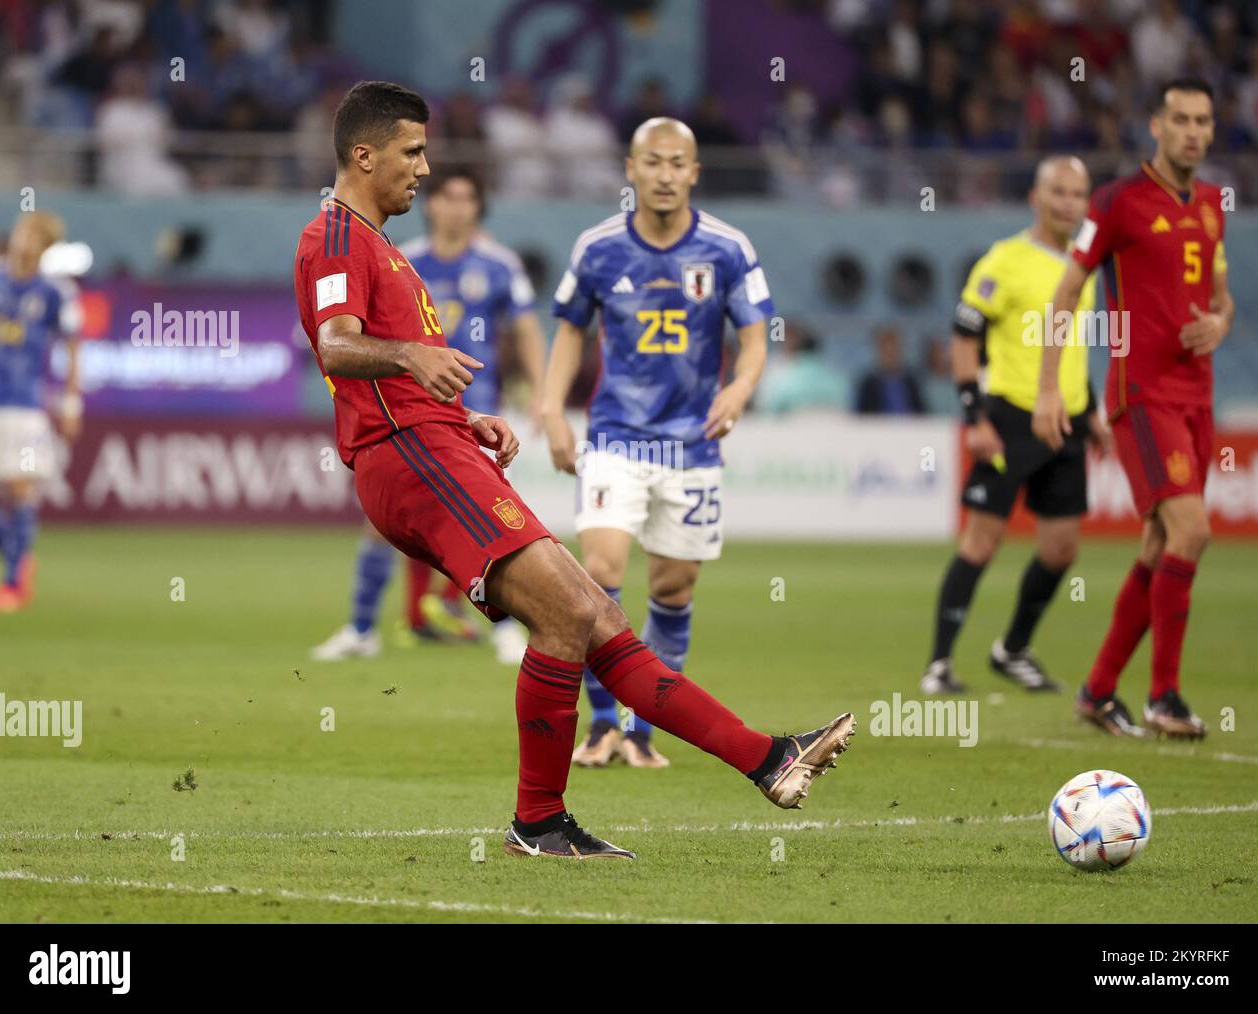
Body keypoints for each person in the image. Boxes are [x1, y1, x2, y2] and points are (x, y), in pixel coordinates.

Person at [292, 81, 855, 860]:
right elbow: (336, 345)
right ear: (364, 154)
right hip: (410, 460)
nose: (424, 168)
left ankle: (768, 759)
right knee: (567, 617)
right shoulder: (337, 237)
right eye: (413, 152)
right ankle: (539, 820)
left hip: (436, 445)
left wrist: (464, 416)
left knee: (597, 616)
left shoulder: (379, 245)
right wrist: (415, 358)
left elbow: (380, 362)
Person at [542, 117, 771, 770]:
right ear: (630, 169)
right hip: (616, 440)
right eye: (653, 162)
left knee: (672, 591)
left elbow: (755, 337)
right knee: (600, 577)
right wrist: (551, 408)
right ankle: (603, 723)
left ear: (695, 173)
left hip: (692, 446)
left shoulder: (727, 249)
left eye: (678, 164)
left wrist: (741, 387)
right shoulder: (598, 248)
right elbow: (569, 330)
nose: (666, 175)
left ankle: (644, 728)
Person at [1034, 78, 1233, 740]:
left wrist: (1221, 324)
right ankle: (1165, 697)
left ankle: (1096, 691)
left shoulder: (1211, 204)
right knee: (1193, 531)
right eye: (1179, 119)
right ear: (1155, 125)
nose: (1192, 132)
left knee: (1161, 541)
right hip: (1141, 394)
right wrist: (1049, 387)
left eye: (1202, 120)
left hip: (1198, 393)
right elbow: (1065, 293)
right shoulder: (1116, 202)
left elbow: (1222, 296)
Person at [310, 167, 544, 665]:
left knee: (493, 521)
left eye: (468, 198)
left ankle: (504, 628)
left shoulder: (499, 265)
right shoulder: (400, 258)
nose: (457, 207)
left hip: (479, 407)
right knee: (386, 526)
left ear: (478, 208)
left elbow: (525, 329)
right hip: (412, 412)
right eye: (449, 197)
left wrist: (542, 391)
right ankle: (361, 626)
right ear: (433, 205)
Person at [919, 156, 1111, 697]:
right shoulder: (1004, 260)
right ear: (1036, 196)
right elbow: (963, 336)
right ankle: (938, 664)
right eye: (1059, 192)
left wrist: (1091, 410)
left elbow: (1072, 348)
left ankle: (1013, 649)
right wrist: (974, 416)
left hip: (1067, 422)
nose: (1069, 203)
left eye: (1079, 194)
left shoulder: (1085, 265)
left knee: (1061, 550)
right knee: (980, 543)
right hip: (1009, 419)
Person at [0, 211, 82, 612]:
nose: (26, 242)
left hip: (25, 405)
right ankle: (17, 555)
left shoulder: (58, 292)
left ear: (46, 247)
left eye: (36, 238)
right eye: (24, 233)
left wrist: (72, 402)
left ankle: (12, 584)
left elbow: (73, 347)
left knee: (21, 487)